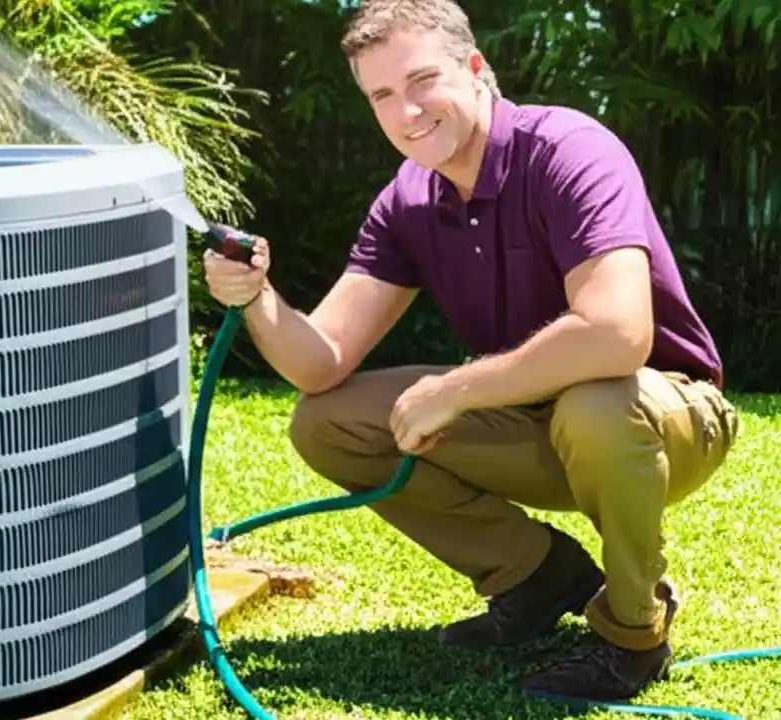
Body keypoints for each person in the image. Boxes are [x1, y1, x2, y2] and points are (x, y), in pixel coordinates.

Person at [201, 0, 740, 703]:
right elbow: (320, 360)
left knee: (597, 401)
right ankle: (536, 576)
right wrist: (257, 297)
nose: (407, 111)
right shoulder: (408, 199)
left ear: (477, 69)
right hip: (537, 420)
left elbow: (618, 333)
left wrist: (454, 390)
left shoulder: (569, 151)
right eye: (382, 96)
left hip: (665, 414)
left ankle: (632, 633)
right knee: (326, 420)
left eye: (423, 80)